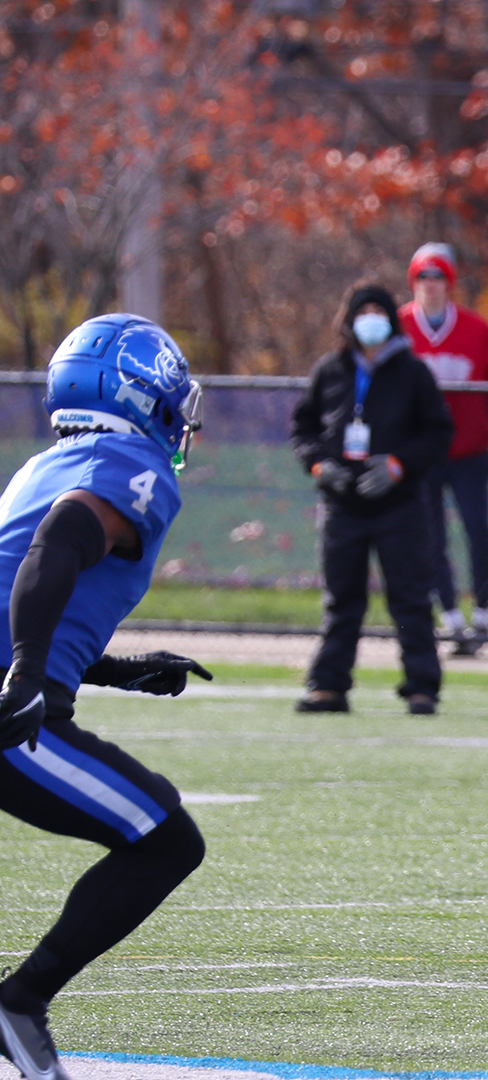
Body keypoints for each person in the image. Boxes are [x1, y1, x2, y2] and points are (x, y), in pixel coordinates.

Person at [0, 315, 213, 1079]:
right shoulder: (128, 462)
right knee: (166, 839)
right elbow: (58, 544)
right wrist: (27, 677)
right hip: (8, 707)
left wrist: (114, 668)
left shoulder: (44, 465)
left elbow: (24, 589)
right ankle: (20, 1002)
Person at [291, 283, 454, 716]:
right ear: (348, 318)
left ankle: (421, 686)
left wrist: (400, 465)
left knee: (410, 598)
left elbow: (438, 432)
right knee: (341, 599)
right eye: (361, 311)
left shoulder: (413, 372)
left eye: (377, 310)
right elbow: (303, 430)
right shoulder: (329, 370)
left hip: (399, 505)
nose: (370, 319)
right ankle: (328, 684)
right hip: (343, 503)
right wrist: (320, 467)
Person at [399, 243, 488, 656]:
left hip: (469, 452)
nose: (431, 285)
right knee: (430, 537)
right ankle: (450, 616)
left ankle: (482, 612)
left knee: (478, 529)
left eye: (438, 277)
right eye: (423, 277)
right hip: (423, 453)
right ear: (413, 282)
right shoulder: (399, 325)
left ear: (450, 283)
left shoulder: (475, 329)